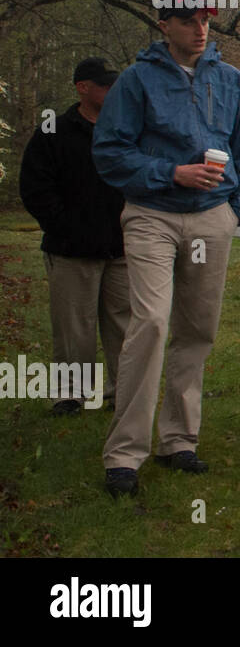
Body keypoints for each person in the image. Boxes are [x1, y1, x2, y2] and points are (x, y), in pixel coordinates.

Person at [92, 0, 240, 498]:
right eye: (187, 20)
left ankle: (178, 441)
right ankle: (124, 454)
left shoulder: (230, 79)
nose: (200, 29)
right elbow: (109, 151)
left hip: (212, 219)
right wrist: (170, 172)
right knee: (151, 322)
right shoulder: (136, 80)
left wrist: (238, 206)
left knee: (197, 329)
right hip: (152, 216)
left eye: (206, 19)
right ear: (164, 25)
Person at [19, 58, 129, 414]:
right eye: (106, 85)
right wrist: (64, 226)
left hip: (122, 247)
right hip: (70, 249)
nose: (114, 92)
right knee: (72, 330)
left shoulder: (127, 129)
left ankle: (123, 391)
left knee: (124, 326)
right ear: (83, 87)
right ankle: (70, 395)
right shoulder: (54, 131)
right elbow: (35, 187)